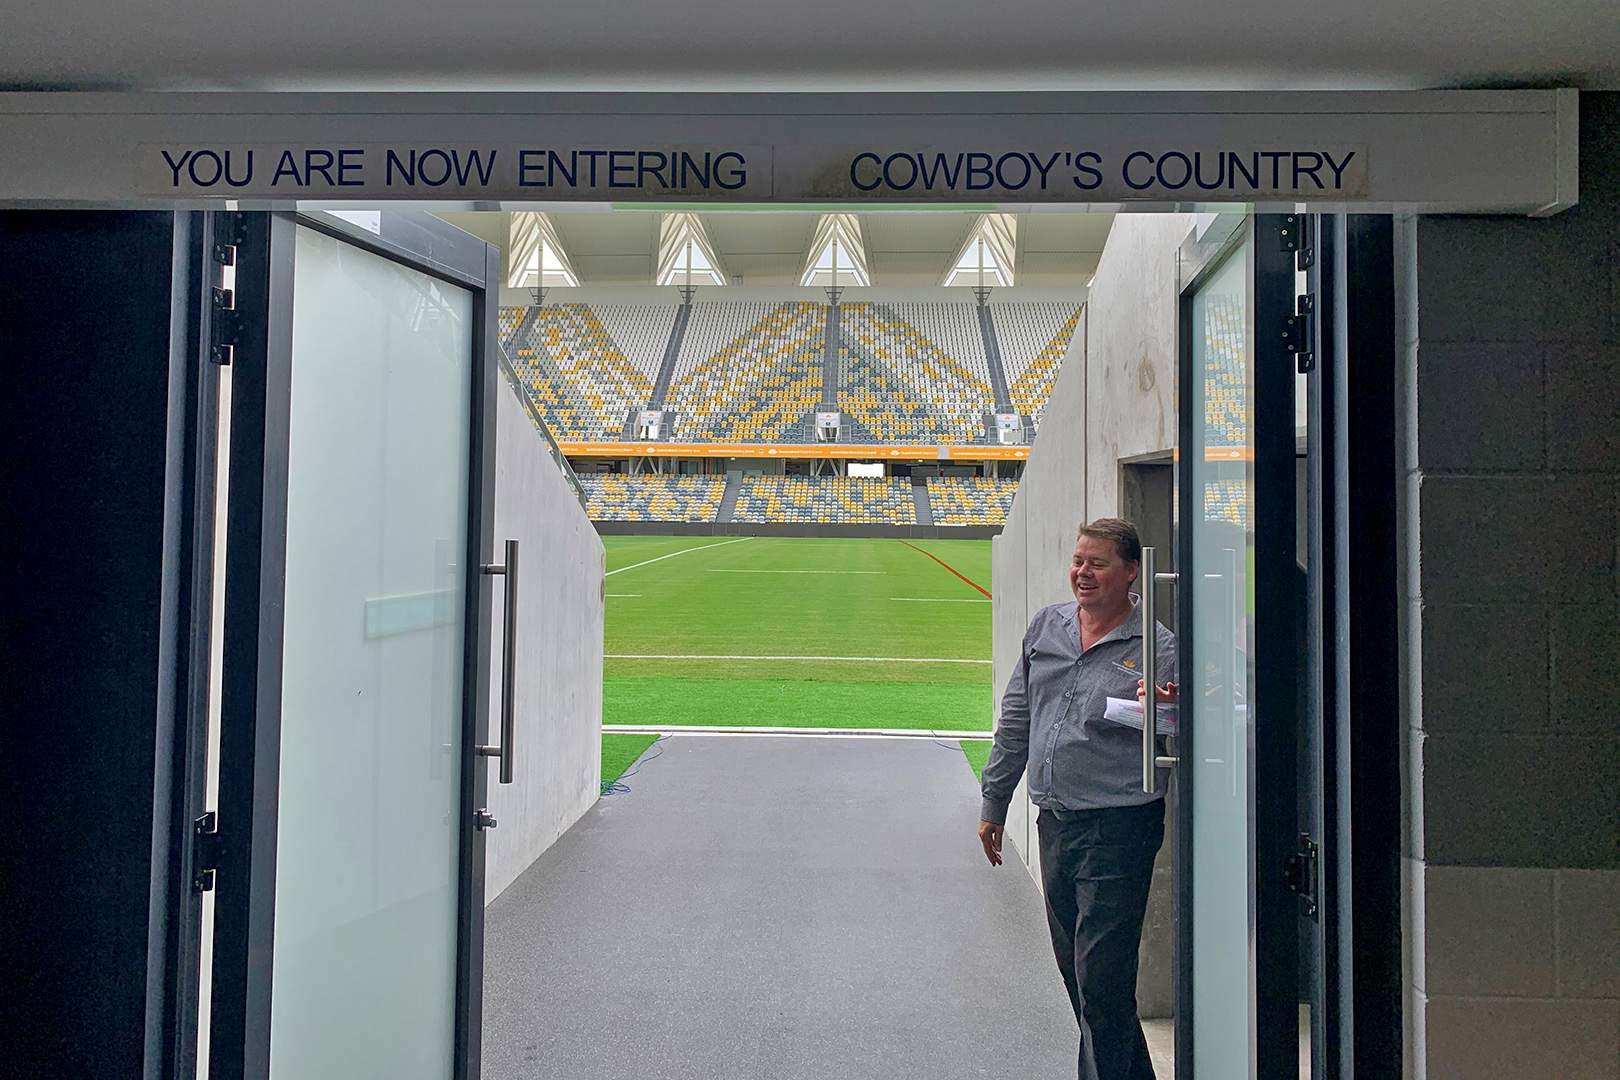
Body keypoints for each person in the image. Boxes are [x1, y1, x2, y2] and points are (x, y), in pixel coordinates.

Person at [977, 517, 1176, 1080]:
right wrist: (995, 801)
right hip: (1056, 824)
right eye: (1078, 561)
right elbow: (1017, 719)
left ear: (1131, 572)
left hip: (1119, 828)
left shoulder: (1158, 647)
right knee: (1077, 977)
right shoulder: (1048, 627)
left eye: (1097, 563)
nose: (1082, 573)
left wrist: (1168, 708)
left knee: (1102, 982)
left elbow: (1198, 729)